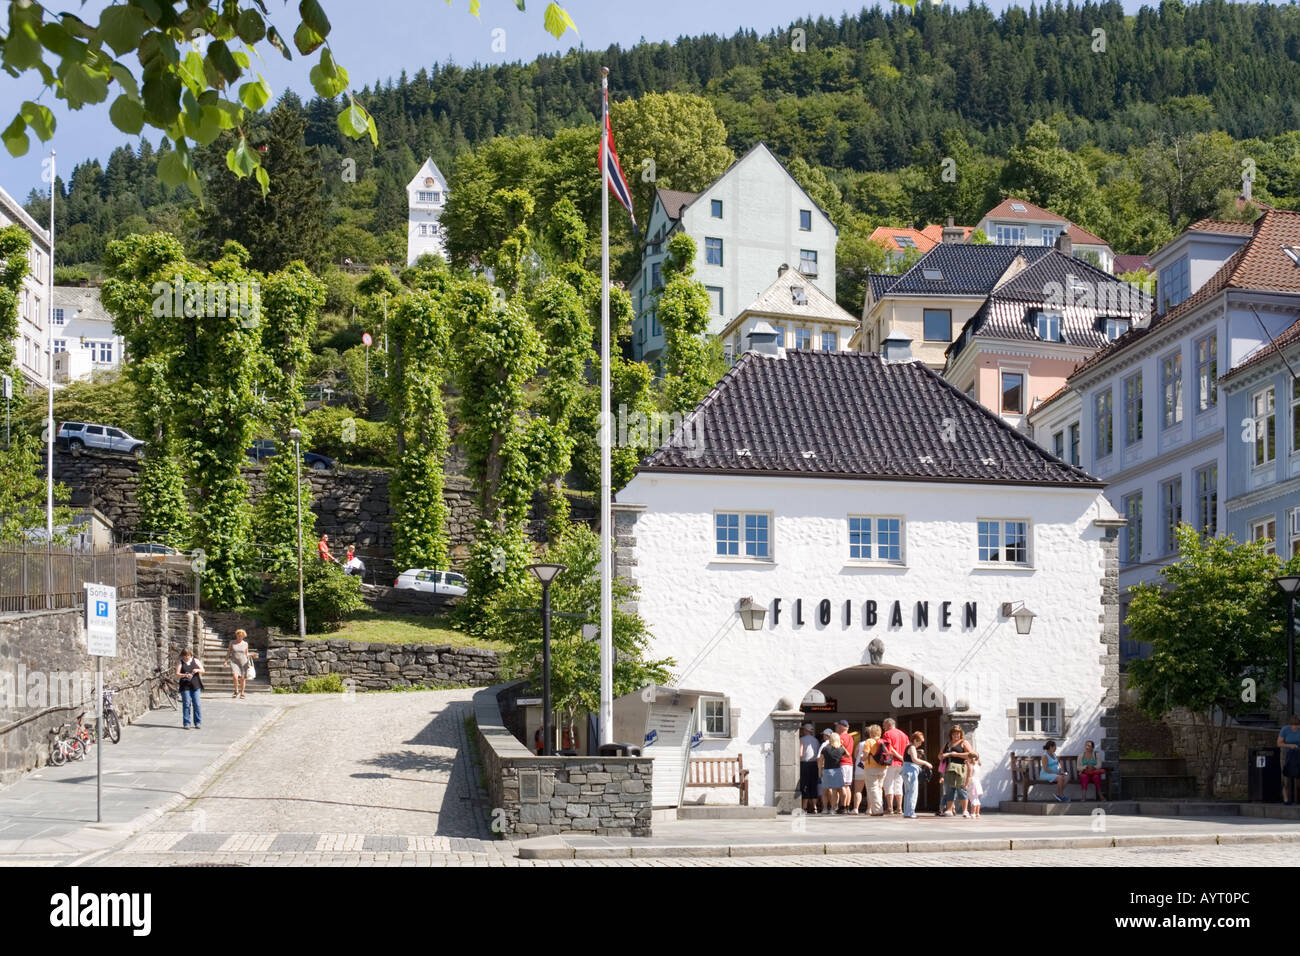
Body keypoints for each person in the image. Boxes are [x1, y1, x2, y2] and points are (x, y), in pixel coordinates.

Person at [939, 725, 976, 816]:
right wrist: (942, 756)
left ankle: (965, 810)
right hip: (949, 769)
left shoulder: (964, 742)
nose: (956, 736)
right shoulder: (948, 744)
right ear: (951, 735)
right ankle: (949, 810)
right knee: (949, 790)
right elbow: (940, 754)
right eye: (954, 734)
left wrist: (955, 754)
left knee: (961, 789)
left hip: (961, 768)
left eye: (958, 734)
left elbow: (971, 754)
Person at [901, 731, 932, 818]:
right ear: (915, 740)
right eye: (920, 741)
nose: (920, 744)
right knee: (913, 792)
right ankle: (910, 812)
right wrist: (926, 763)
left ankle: (907, 812)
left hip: (906, 770)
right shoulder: (912, 747)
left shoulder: (908, 747)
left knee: (908, 792)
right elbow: (915, 760)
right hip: (911, 770)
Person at [881, 717, 909, 815]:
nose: (883, 727)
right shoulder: (904, 735)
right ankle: (899, 808)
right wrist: (903, 758)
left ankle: (890, 808)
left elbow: (889, 749)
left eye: (884, 725)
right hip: (902, 764)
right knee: (899, 785)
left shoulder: (887, 734)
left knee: (889, 784)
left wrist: (899, 757)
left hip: (891, 762)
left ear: (889, 724)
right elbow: (908, 749)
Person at [861, 723, 887, 815]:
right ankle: (880, 807)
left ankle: (877, 810)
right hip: (883, 767)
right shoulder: (883, 741)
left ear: (870, 733)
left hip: (871, 768)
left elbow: (865, 755)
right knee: (879, 788)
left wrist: (861, 758)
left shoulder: (869, 741)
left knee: (872, 789)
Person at [818, 732, 848, 813]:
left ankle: (824, 809)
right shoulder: (840, 749)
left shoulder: (825, 749)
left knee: (824, 791)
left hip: (827, 770)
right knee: (834, 791)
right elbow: (848, 755)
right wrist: (842, 745)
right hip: (837, 771)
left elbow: (820, 760)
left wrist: (820, 771)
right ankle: (832, 809)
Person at [176, 647, 204, 730]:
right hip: (185, 686)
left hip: (195, 685)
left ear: (190, 654)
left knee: (197, 704)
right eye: (184, 656)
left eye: (188, 655)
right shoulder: (180, 662)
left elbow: (203, 670)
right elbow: (177, 674)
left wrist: (197, 670)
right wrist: (184, 675)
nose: (186, 657)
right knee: (186, 704)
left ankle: (198, 722)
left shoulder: (196, 661)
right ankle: (186, 723)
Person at [799, 722, 821, 814]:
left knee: (805, 785)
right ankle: (815, 807)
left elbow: (800, 754)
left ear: (805, 730)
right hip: (814, 764)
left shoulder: (801, 739)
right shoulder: (816, 740)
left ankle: (804, 808)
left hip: (805, 764)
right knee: (813, 785)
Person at [1279, 715, 1300, 805]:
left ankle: (1298, 799)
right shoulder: (1285, 730)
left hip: (1298, 754)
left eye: (1297, 725)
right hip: (1286, 754)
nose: (1295, 727)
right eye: (1294, 725)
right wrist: (1290, 745)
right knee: (1286, 777)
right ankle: (1286, 799)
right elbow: (1279, 743)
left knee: (1298, 776)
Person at [225, 628, 250, 700]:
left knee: (242, 678)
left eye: (241, 636)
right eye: (238, 635)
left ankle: (242, 692)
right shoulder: (232, 642)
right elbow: (229, 652)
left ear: (243, 636)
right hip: (234, 662)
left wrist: (251, 655)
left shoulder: (245, 644)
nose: (239, 637)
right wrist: (226, 661)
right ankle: (236, 691)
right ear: (236, 635)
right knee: (235, 676)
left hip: (243, 662)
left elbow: (246, 653)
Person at [835, 720, 855, 806]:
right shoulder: (851, 737)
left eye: (837, 726)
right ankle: (847, 806)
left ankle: (842, 806)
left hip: (842, 763)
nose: (836, 728)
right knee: (847, 786)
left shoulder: (840, 737)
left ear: (841, 727)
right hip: (849, 763)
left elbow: (836, 751)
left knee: (841, 786)